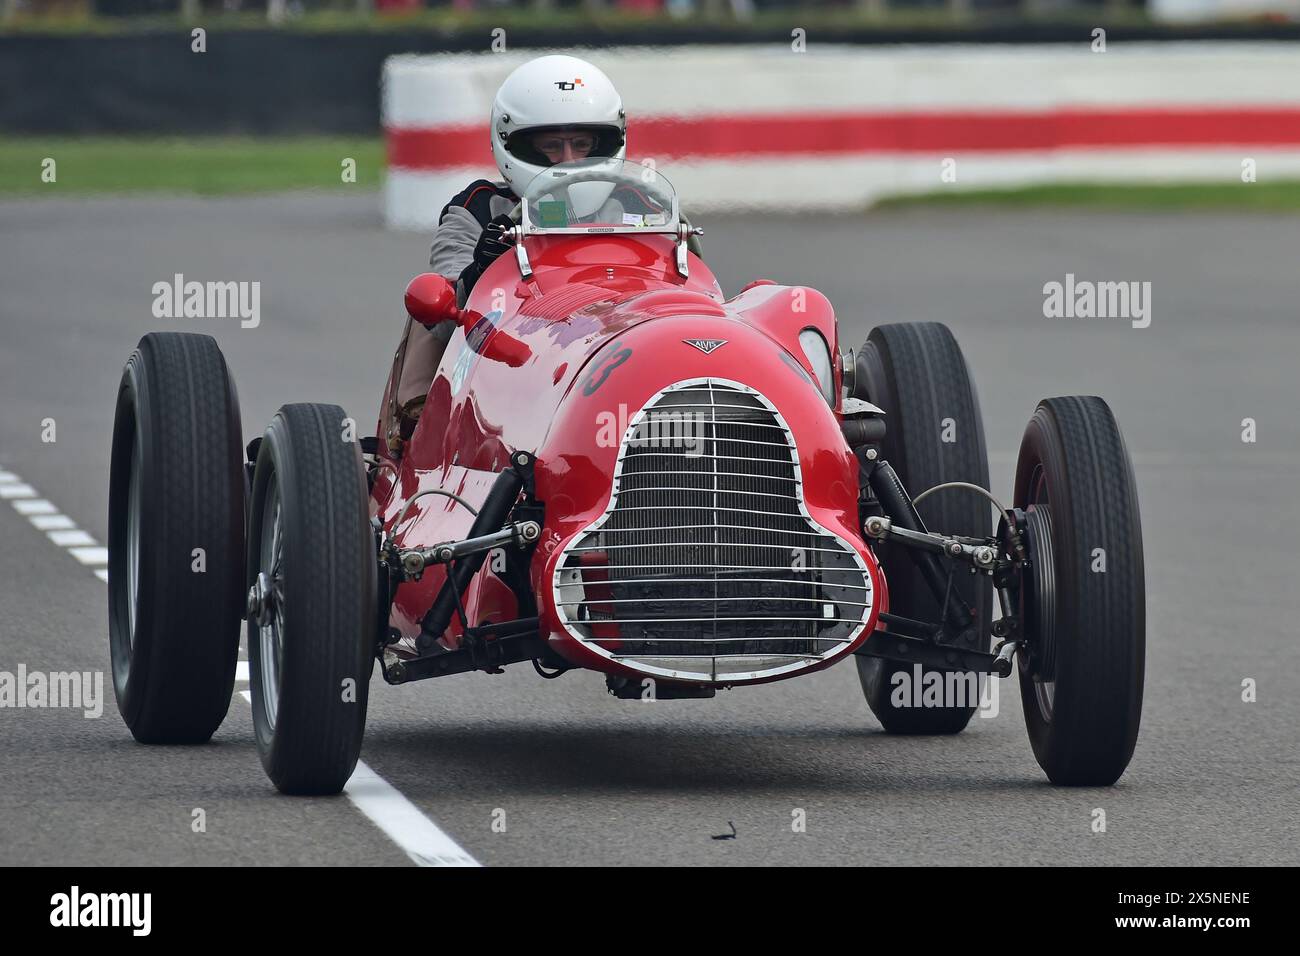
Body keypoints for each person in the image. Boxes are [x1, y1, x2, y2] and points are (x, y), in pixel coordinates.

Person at [383, 54, 694, 453]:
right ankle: (415, 446)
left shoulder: (644, 206)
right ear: (515, 144)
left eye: (582, 145)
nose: (568, 160)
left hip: (619, 344)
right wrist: (482, 268)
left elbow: (687, 281)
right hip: (512, 355)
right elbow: (446, 314)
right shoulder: (476, 209)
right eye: (551, 146)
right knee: (429, 305)